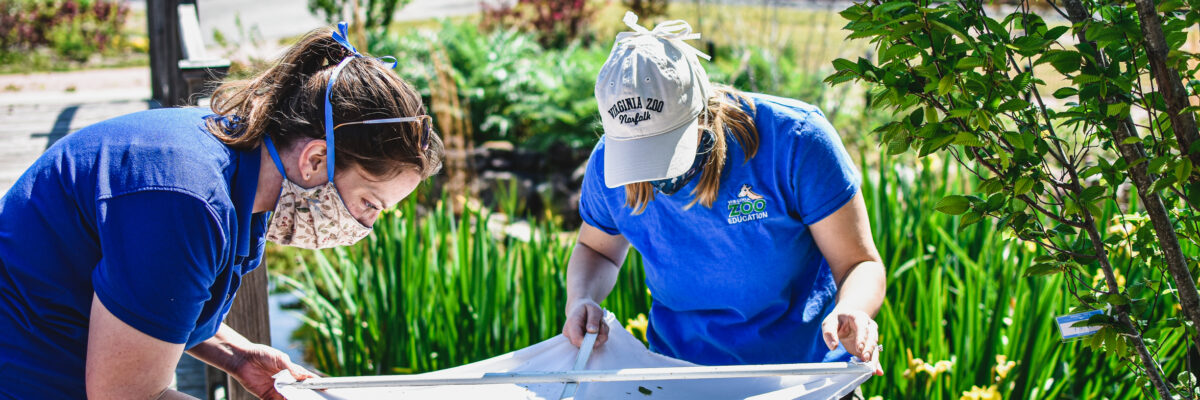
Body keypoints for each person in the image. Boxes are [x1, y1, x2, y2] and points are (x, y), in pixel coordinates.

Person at [0, 23, 443, 400]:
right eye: (369, 203)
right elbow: (123, 394)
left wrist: (236, 355)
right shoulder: (188, 200)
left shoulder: (240, 172)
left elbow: (158, 296)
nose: (365, 226)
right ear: (315, 160)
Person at [561, 12, 886, 377]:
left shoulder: (795, 141)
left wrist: (853, 309)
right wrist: (582, 298)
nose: (655, 174)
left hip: (806, 377)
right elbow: (596, 251)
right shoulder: (607, 165)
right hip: (679, 377)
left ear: (701, 112)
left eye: (665, 150)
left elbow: (858, 263)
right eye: (639, 154)